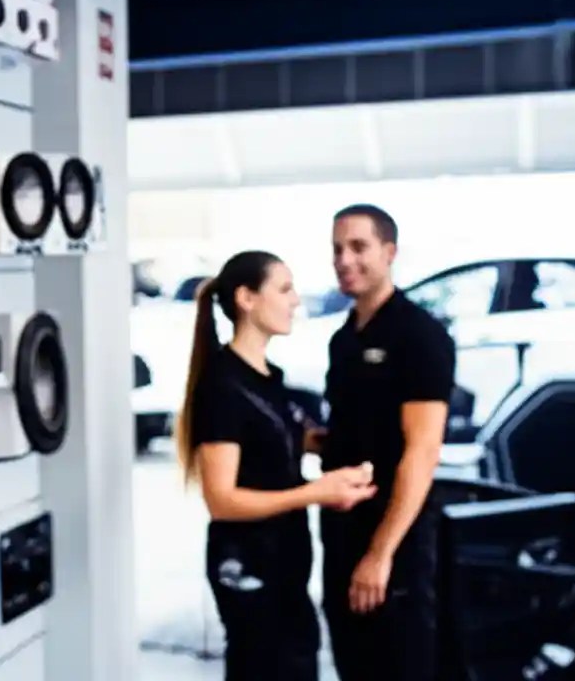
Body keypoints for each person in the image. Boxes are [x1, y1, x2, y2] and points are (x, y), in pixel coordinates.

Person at [175, 250, 378, 681]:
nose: (296, 301)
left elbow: (277, 444)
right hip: (247, 564)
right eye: (284, 289)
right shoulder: (224, 386)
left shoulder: (268, 379)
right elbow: (222, 500)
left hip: (286, 560)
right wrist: (317, 492)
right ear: (247, 298)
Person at [318, 204, 456, 681]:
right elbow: (352, 433)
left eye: (358, 247)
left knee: (398, 665)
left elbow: (422, 453)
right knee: (352, 664)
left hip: (394, 541)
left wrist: (381, 553)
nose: (344, 259)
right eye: (337, 248)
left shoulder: (420, 336)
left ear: (390, 252)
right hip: (340, 535)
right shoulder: (343, 340)